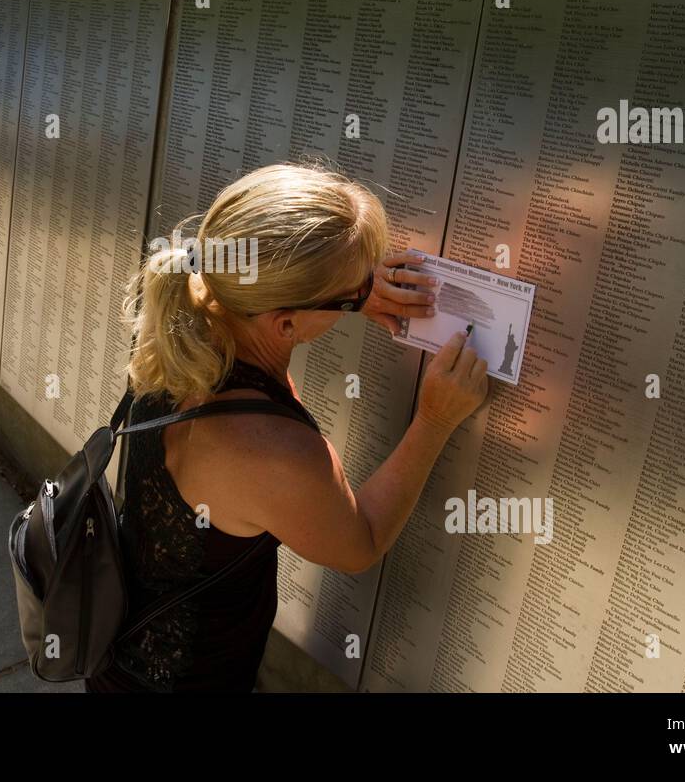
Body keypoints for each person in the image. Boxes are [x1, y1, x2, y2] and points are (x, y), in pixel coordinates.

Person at [84, 161, 489, 692]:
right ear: (286, 323)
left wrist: (342, 290)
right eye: (348, 297)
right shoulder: (271, 450)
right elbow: (359, 544)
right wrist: (435, 420)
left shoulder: (185, 327)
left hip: (123, 665)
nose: (360, 299)